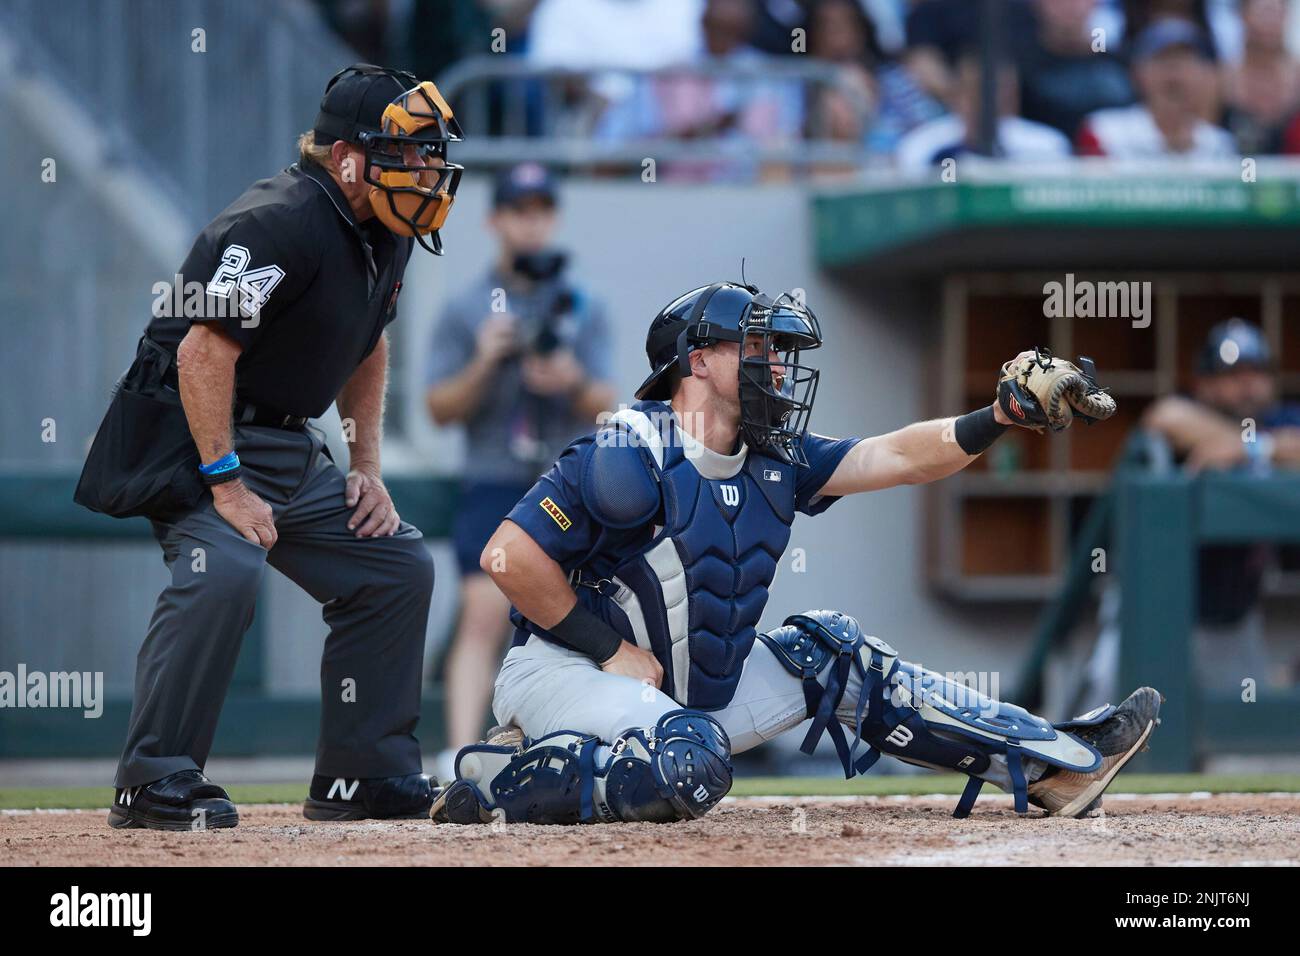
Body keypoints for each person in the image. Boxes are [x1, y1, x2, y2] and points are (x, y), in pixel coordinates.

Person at [429, 281, 1162, 826]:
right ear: (699, 361)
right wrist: (608, 648)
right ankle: (506, 777)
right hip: (568, 671)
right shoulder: (628, 449)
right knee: (689, 760)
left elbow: (895, 457)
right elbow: (506, 558)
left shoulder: (775, 456)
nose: (777, 364)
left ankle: (1052, 764)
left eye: (779, 350)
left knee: (833, 653)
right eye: (758, 347)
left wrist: (997, 416)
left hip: (693, 697)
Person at [74, 64, 463, 829]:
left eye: (429, 153)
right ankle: (153, 779)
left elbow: (368, 345)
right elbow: (202, 355)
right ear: (349, 159)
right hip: (190, 434)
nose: (426, 169)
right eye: (409, 151)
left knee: (394, 566)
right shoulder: (278, 219)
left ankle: (363, 776)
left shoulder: (385, 228)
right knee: (221, 566)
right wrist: (224, 481)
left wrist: (366, 467)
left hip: (286, 442)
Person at [425, 162, 615, 780]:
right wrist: (486, 360)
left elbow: (614, 406)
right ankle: (460, 753)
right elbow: (437, 407)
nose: (531, 224)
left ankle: (562, 749)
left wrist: (571, 381)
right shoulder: (466, 306)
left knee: (576, 613)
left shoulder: (583, 302)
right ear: (495, 220)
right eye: (518, 211)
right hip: (494, 478)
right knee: (483, 611)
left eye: (541, 210)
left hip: (567, 481)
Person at [1141, 319, 1300, 691]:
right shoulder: (1188, 412)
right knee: (1120, 732)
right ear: (1206, 384)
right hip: (1156, 617)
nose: (1247, 383)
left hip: (1233, 621)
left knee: (1247, 734)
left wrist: (1252, 448)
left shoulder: (1276, 423)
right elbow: (1163, 418)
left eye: (1256, 371)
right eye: (1232, 373)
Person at [1075, 18, 1236, 157]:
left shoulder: (1219, 145)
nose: (1175, 74)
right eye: (1163, 61)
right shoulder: (1105, 132)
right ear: (1137, 73)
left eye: (1186, 62)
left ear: (1204, 75)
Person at [895, 49, 1072, 171]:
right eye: (976, 93)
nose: (990, 104)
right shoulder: (923, 147)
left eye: (1002, 94)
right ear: (958, 95)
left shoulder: (1045, 146)